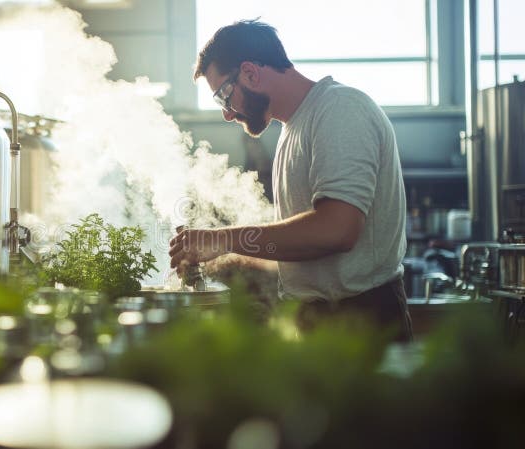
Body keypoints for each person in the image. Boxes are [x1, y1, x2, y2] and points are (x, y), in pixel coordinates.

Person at [169, 19, 413, 342]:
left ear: (251, 73)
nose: (227, 113)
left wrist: (224, 238)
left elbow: (336, 230)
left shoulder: (339, 109)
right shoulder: (290, 131)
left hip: (364, 324)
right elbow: (299, 250)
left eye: (224, 96)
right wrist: (217, 256)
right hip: (318, 323)